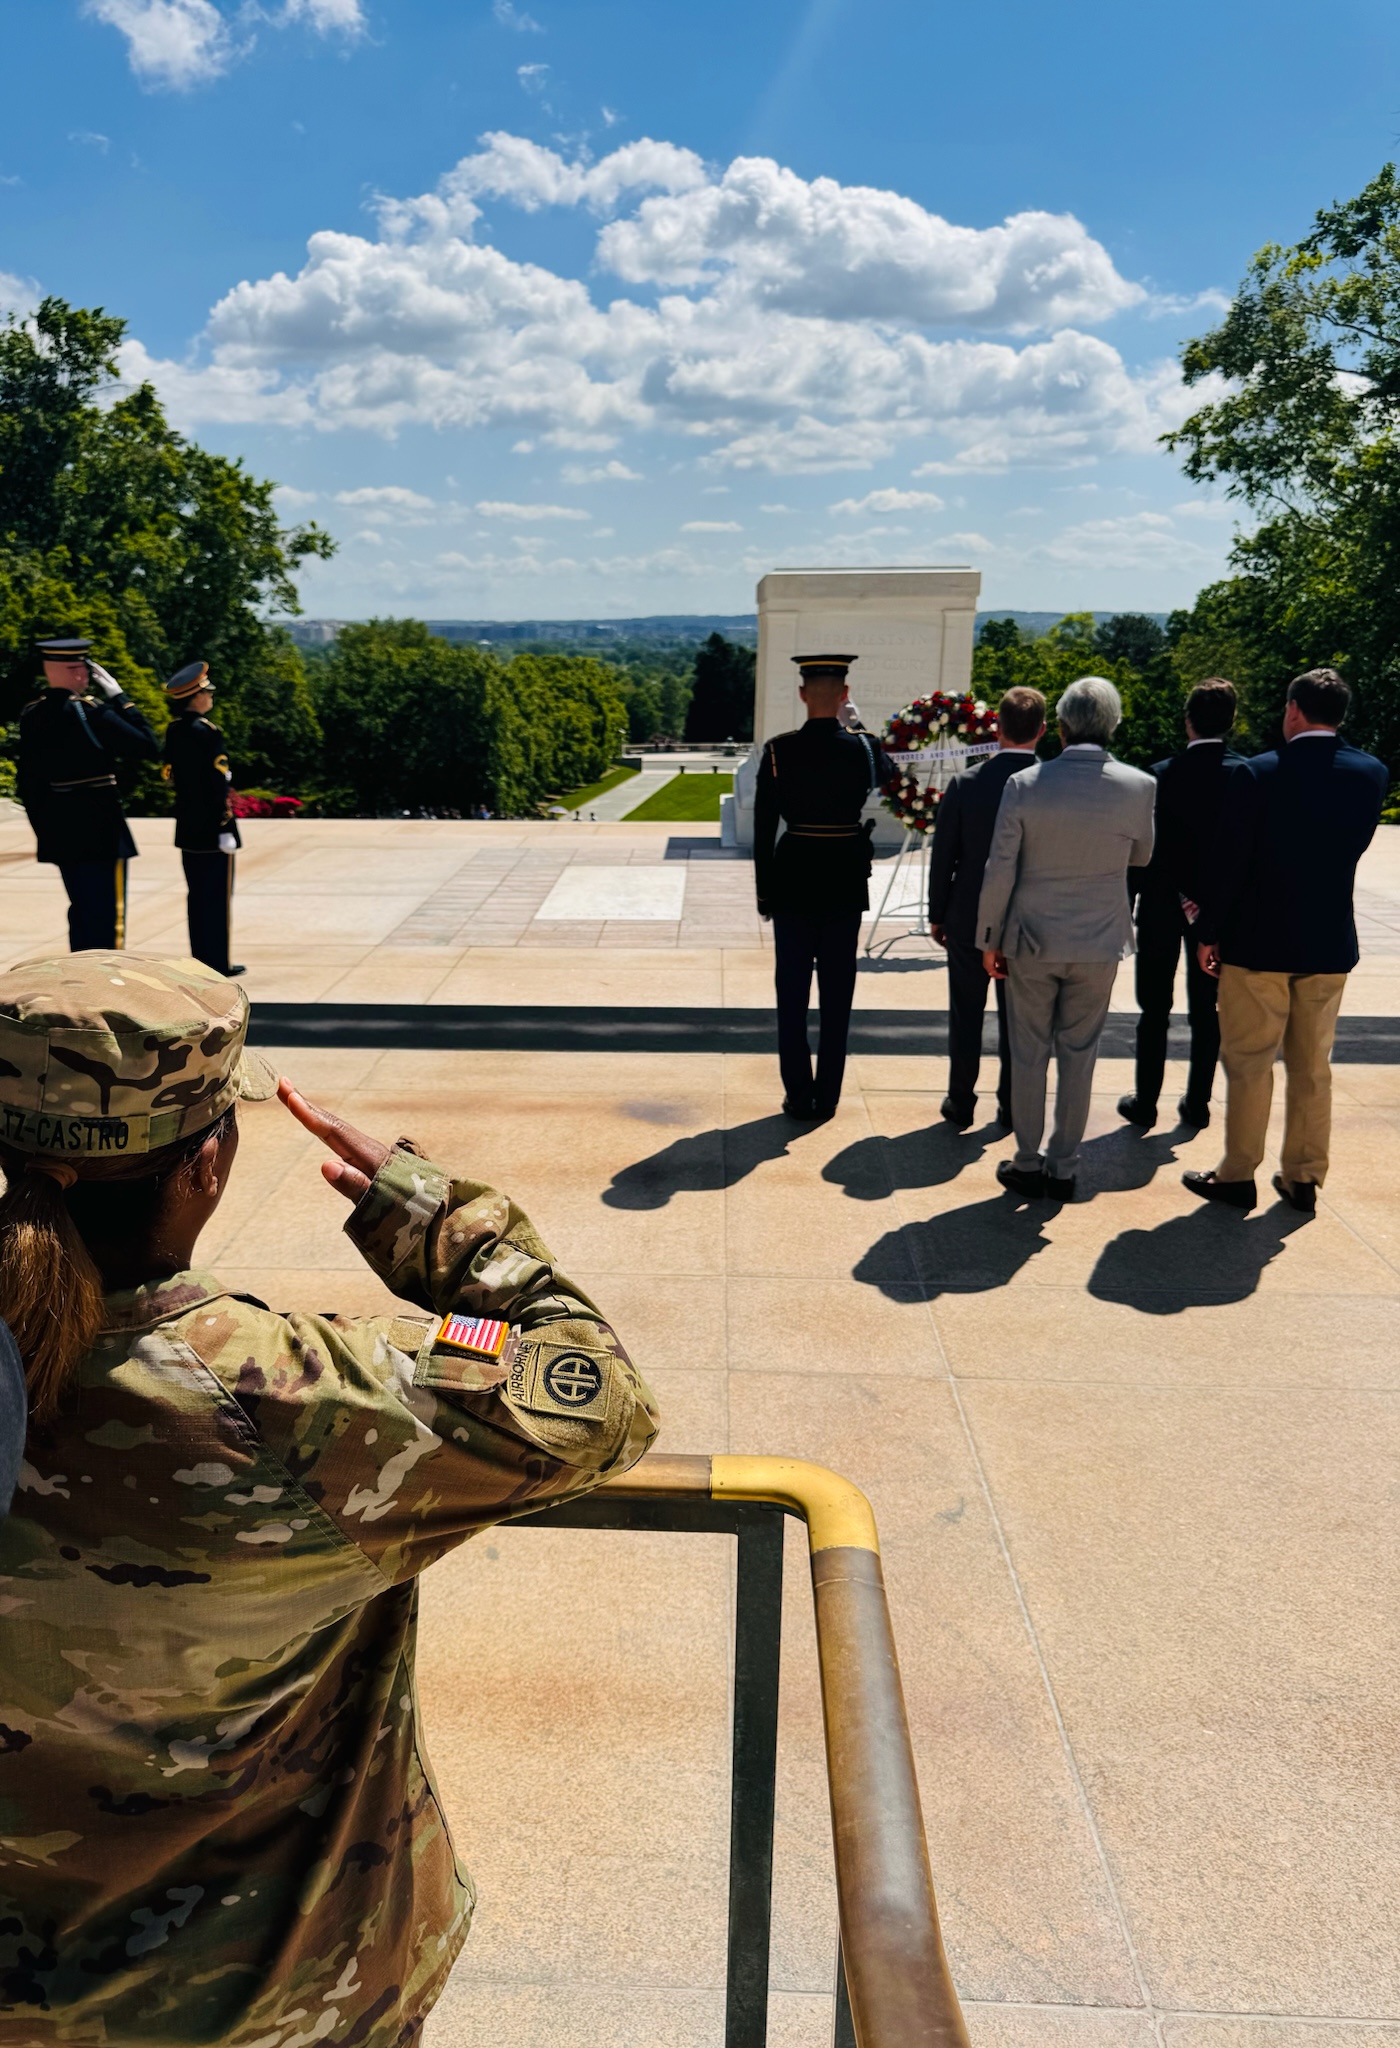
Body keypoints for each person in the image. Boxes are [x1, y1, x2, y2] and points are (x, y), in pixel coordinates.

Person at [0, 950, 657, 2046]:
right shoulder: (309, 1397)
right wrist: (435, 1218)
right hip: (274, 2005)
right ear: (206, 1164)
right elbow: (593, 1386)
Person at [1185, 667, 1387, 1213]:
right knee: (1312, 1066)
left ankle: (1237, 1174)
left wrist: (1209, 934)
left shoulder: (1258, 773)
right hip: (1327, 941)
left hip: (1258, 943)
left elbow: (1230, 865)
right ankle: (1303, 1175)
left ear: (1294, 710)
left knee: (1250, 1063)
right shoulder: (1371, 774)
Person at [976, 675, 1155, 1200]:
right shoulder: (1140, 786)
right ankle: (1064, 1165)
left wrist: (989, 936)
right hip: (1099, 941)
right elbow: (1141, 855)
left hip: (1031, 938)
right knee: (1080, 1052)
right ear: (1114, 726)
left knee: (1029, 1052)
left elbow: (999, 868)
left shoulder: (1025, 785)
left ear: (1060, 727)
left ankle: (1027, 1160)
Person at [754, 653, 895, 1120]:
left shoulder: (778, 750)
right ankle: (828, 1095)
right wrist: (858, 726)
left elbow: (762, 829)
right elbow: (893, 777)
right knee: (837, 996)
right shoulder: (864, 747)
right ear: (844, 695)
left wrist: (764, 893)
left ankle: (798, 1095)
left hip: (793, 878)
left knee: (791, 997)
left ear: (801, 695)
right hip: (842, 879)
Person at [1118, 678, 1243, 1132]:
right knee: (1206, 1012)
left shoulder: (1158, 775)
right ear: (1230, 721)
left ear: (1187, 721)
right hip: (1219, 912)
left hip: (1160, 907)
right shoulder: (1245, 775)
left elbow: (1140, 851)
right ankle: (1197, 1103)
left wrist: (1124, 906)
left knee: (1154, 1010)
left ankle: (1146, 1101)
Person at [927, 685, 1046, 1128]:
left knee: (966, 1012)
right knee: (1019, 1019)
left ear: (997, 729)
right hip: (1027, 917)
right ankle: (1012, 1105)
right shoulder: (1049, 785)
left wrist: (937, 912)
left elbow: (946, 856)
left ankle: (960, 1101)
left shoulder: (967, 783)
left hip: (968, 915)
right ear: (1042, 730)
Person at [16, 637, 161, 949]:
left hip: (60, 830)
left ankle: (80, 985)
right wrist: (122, 698)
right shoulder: (92, 712)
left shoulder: (32, 715)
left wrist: (45, 830)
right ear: (78, 672)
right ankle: (107, 985)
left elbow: (27, 783)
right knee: (109, 917)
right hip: (102, 830)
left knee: (81, 911)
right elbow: (148, 746)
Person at [162, 659, 245, 976]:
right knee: (216, 899)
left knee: (197, 897)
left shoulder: (174, 730)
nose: (211, 696)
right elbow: (216, 785)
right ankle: (217, 963)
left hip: (187, 826)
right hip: (212, 830)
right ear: (196, 696)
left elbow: (173, 777)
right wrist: (225, 825)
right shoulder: (208, 732)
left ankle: (202, 959)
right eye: (207, 692)